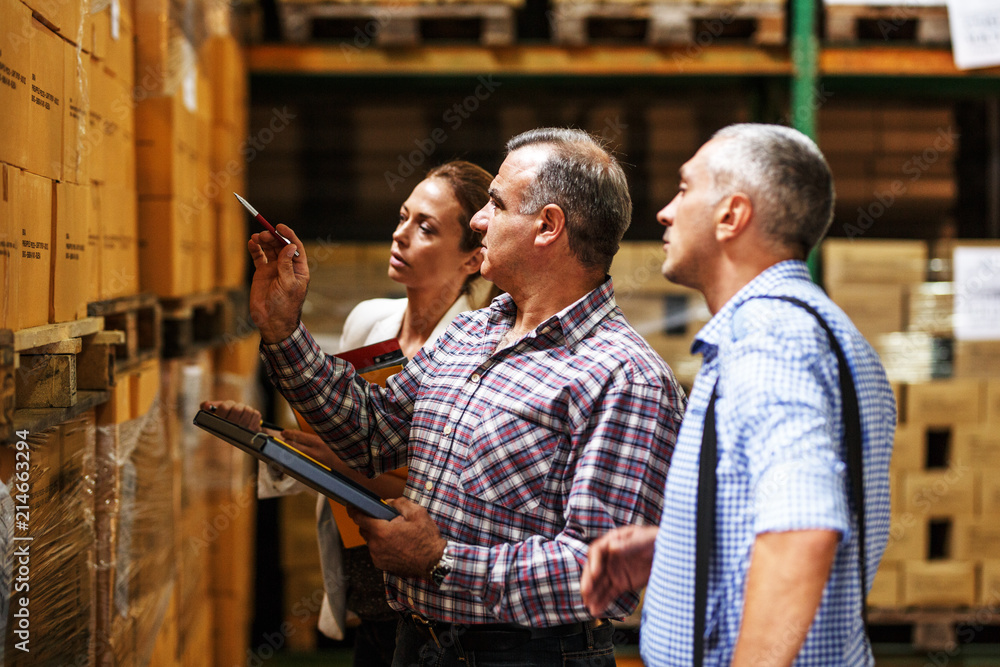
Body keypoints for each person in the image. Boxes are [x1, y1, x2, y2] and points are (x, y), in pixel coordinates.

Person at [247, 127, 685, 666]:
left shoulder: (625, 377)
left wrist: (440, 563)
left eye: (496, 204)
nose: (479, 220)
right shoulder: (471, 333)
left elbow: (603, 573)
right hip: (418, 643)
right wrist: (284, 332)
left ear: (548, 226)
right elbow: (373, 431)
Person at [581, 124, 896, 666]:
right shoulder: (831, 334)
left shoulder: (768, 340)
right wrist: (683, 546)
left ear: (731, 215)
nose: (665, 211)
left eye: (684, 189)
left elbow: (805, 529)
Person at [204, 160, 496, 667]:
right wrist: (267, 439)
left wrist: (338, 460)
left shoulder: (470, 352)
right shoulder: (368, 320)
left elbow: (436, 491)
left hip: (427, 590)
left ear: (473, 259)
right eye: (403, 217)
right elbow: (332, 437)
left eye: (424, 227)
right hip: (364, 575)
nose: (400, 235)